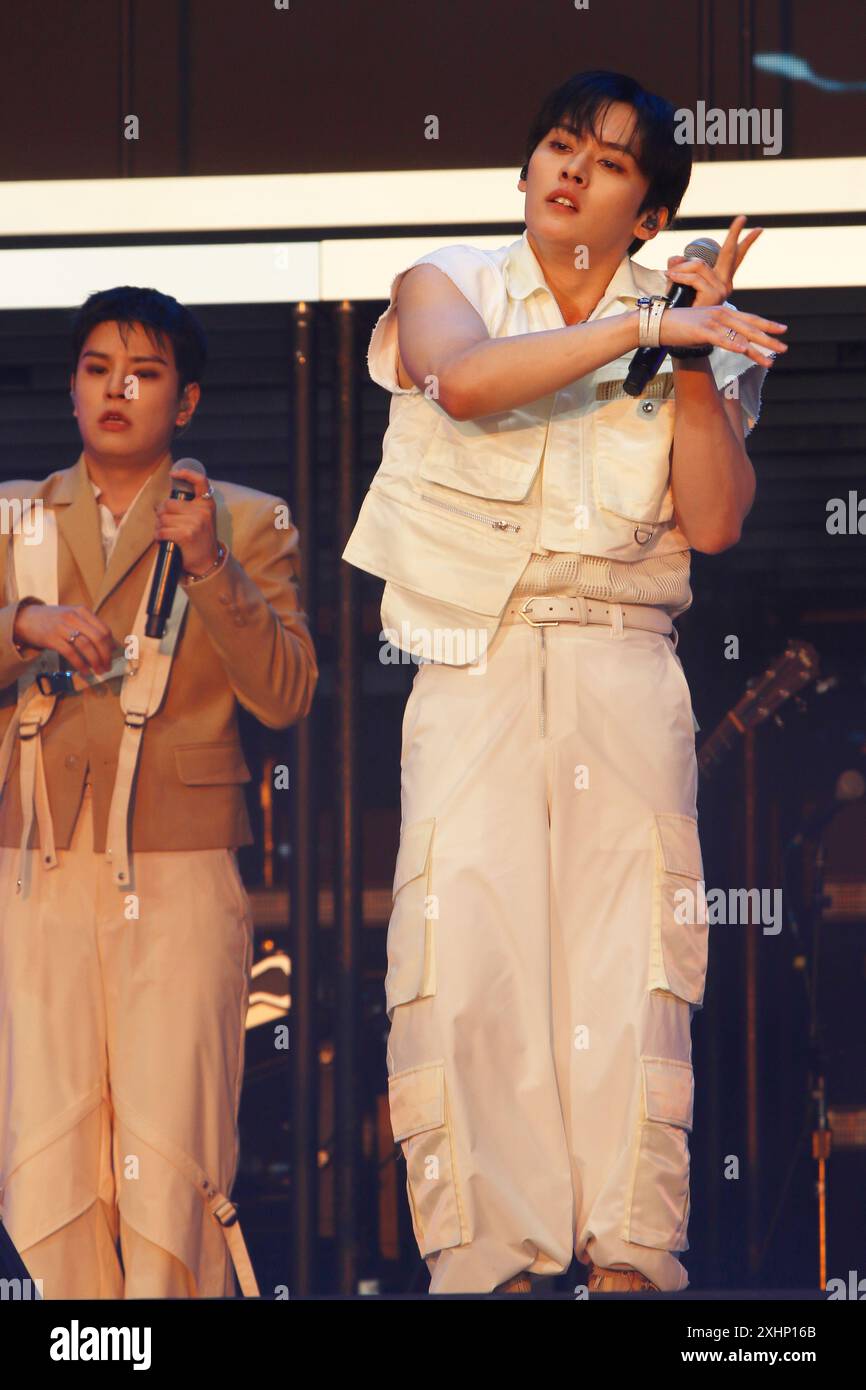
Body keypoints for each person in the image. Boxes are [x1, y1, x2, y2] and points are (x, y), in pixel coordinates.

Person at [342, 70, 785, 1295]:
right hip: (471, 657)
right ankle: (485, 1262)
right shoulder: (449, 282)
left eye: (607, 161)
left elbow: (714, 518)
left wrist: (692, 346)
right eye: (555, 144)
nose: (569, 169)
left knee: (627, 955)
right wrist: (643, 330)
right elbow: (464, 380)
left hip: (622, 660)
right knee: (463, 949)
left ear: (645, 215)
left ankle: (632, 1257)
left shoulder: (689, 320)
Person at [0, 286, 318, 1298]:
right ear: (71, 386)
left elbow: (286, 691)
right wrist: (22, 625)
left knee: (170, 1130)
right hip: (34, 859)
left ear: (184, 402)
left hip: (177, 861)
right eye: (96, 369)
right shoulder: (15, 514)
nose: (115, 390)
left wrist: (210, 565)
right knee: (46, 1131)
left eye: (141, 373)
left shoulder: (246, 519)